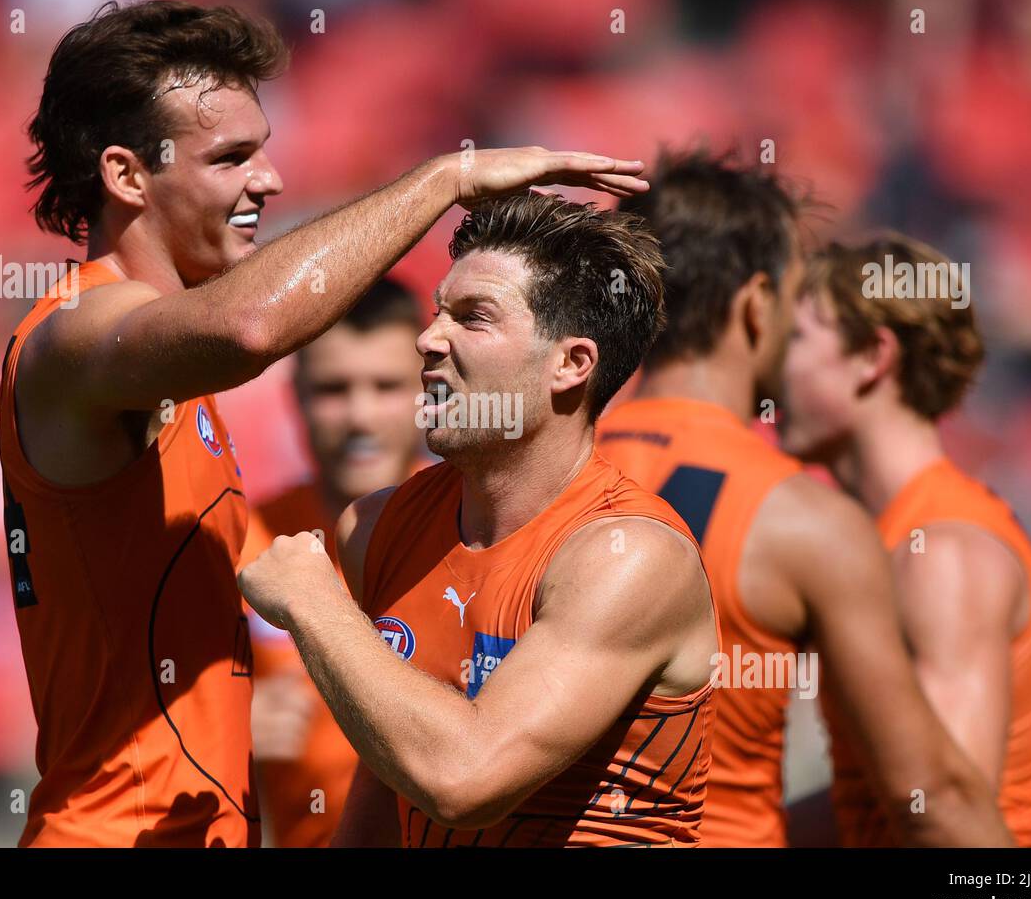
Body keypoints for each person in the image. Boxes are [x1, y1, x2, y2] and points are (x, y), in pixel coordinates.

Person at [0, 0, 649, 847]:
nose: (266, 181)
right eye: (231, 158)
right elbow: (252, 328)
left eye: (263, 150)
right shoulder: (74, 337)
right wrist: (445, 180)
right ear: (127, 176)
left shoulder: (163, 362)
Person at [239, 195, 720, 847]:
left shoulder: (625, 555)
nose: (428, 338)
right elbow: (391, 777)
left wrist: (313, 603)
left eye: (473, 318)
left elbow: (464, 781)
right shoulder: (379, 528)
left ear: (571, 364)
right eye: (439, 311)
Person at [598, 150, 1010, 846]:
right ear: (757, 306)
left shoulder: (541, 476)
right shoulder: (801, 519)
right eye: (794, 302)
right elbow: (931, 796)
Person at [777, 234, 1031, 846]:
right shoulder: (890, 537)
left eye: (796, 339)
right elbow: (873, 799)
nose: (774, 365)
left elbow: (944, 815)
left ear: (872, 358)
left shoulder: (943, 554)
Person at [244, 278, 427, 847]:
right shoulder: (244, 540)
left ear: (430, 392)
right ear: (292, 394)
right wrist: (223, 730)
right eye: (333, 388)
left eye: (387, 386)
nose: (360, 416)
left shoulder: (479, 528)